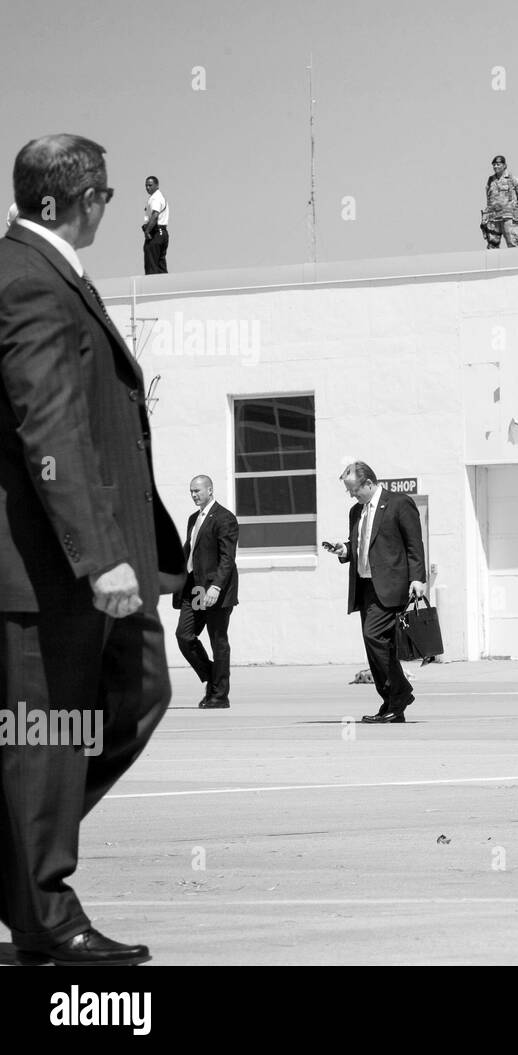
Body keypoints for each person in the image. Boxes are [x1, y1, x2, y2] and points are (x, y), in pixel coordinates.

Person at [0, 133, 184, 965]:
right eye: (102, 191)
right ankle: (43, 914)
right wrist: (95, 554)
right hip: (49, 569)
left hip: (104, 556)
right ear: (58, 201)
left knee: (138, 690)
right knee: (45, 733)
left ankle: (17, 860)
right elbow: (51, 428)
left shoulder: (56, 275)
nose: (109, 203)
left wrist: (150, 550)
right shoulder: (25, 282)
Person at [324, 463, 427, 723]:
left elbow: (415, 543)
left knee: (374, 637)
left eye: (354, 490)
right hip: (366, 586)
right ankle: (392, 702)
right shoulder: (356, 511)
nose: (351, 496)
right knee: (378, 646)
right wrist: (344, 550)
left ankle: (399, 693)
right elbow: (361, 543)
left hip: (392, 585)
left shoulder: (399, 503)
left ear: (369, 483)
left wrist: (418, 578)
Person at [173, 475, 239, 708]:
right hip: (195, 588)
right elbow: (190, 551)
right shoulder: (194, 518)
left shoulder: (224, 518)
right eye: (191, 491)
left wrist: (216, 586)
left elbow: (227, 558)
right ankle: (213, 676)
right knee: (184, 635)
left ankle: (220, 696)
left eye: (198, 491)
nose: (194, 495)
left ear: (210, 490)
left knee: (217, 640)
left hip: (215, 590)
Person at [480, 155, 518, 248]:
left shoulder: (511, 178)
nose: (495, 166)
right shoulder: (490, 180)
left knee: (512, 243)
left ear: (504, 165)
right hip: (493, 218)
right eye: (494, 165)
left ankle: (514, 262)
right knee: (492, 246)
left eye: (498, 164)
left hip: (508, 216)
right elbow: (488, 199)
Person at [142, 175, 168, 274]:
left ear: (157, 186)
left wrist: (147, 230)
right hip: (162, 233)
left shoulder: (155, 198)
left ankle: (151, 288)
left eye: (150, 185)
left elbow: (155, 214)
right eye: (146, 186)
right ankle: (164, 287)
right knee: (160, 265)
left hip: (156, 232)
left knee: (151, 265)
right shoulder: (157, 197)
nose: (147, 188)